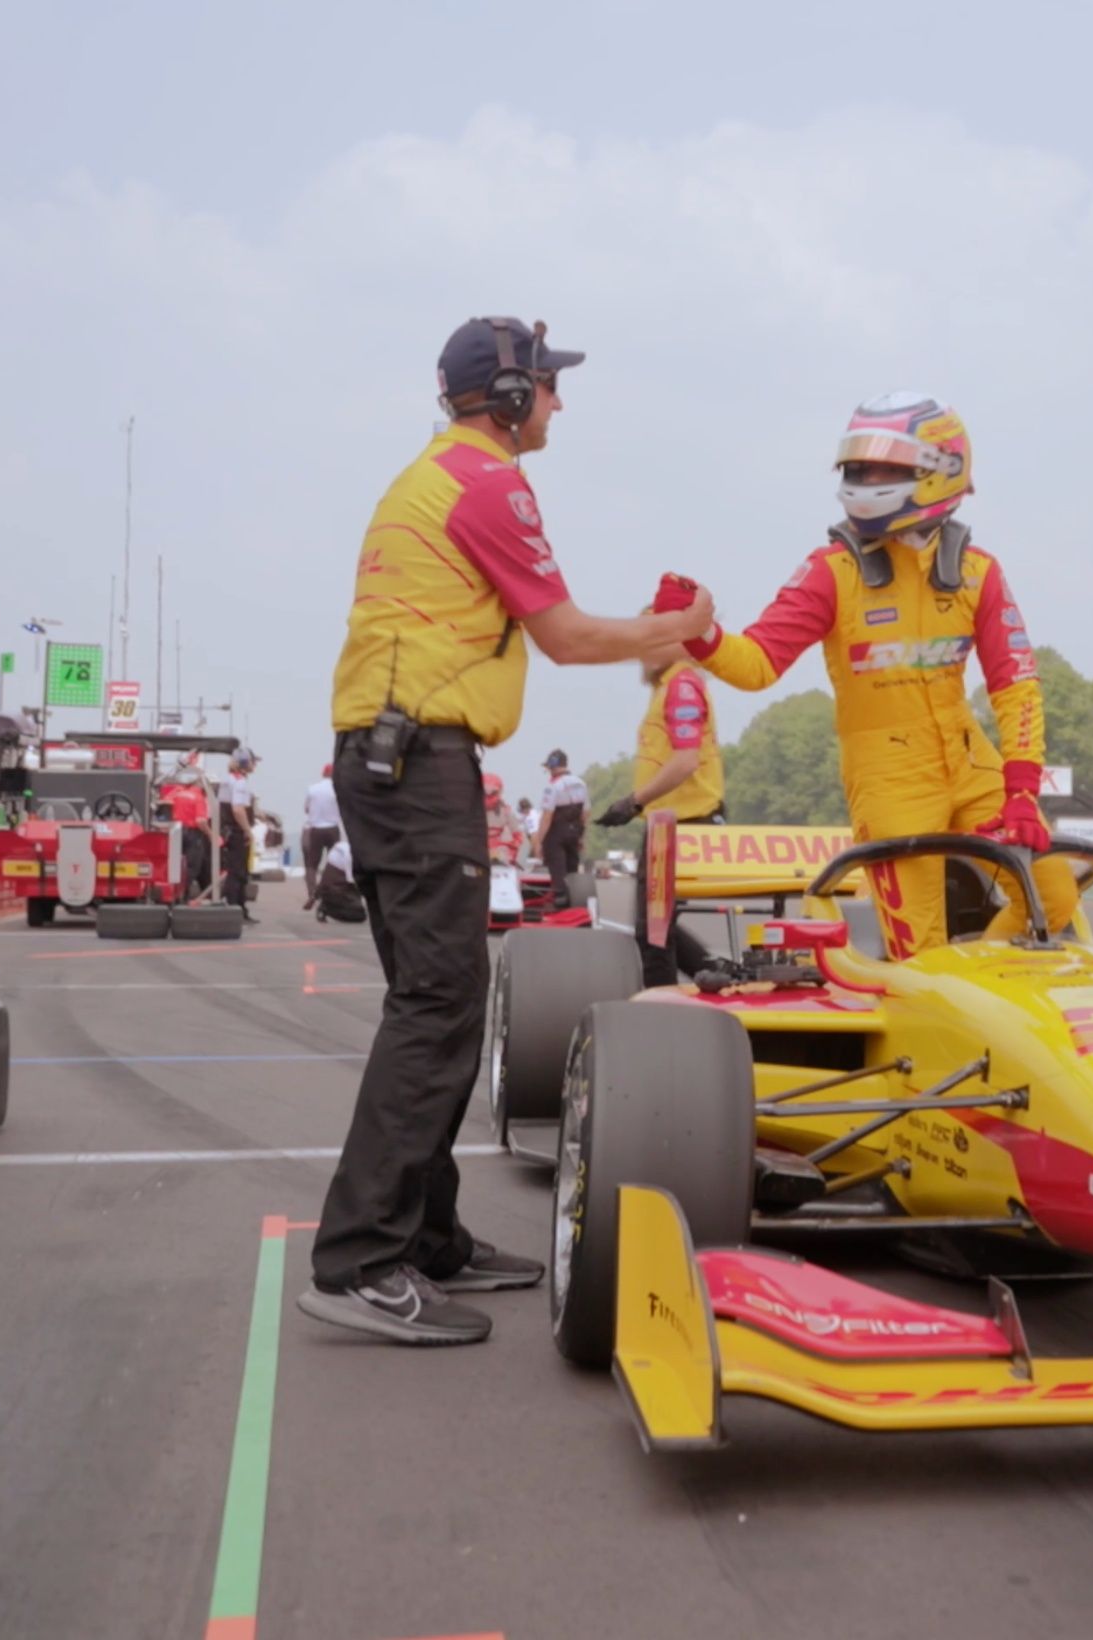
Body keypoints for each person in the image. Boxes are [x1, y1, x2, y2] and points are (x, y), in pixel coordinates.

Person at [305, 313, 712, 1348]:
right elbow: (567, 635)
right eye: (549, 385)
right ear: (511, 397)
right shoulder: (489, 481)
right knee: (443, 1001)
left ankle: (429, 1234)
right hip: (416, 759)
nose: (561, 402)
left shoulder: (435, 474)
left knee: (436, 997)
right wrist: (679, 630)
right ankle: (360, 1258)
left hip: (394, 756)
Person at [661, 392, 1073, 957]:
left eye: (885, 465)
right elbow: (757, 664)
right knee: (921, 957)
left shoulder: (980, 572)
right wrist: (699, 633)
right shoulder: (831, 572)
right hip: (889, 783)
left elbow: (1016, 684)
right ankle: (944, 1002)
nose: (866, 477)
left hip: (976, 768)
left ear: (941, 469)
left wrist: (1022, 789)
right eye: (859, 464)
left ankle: (982, 988)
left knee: (1053, 898)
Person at [599, 633, 727, 980]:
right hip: (670, 821)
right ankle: (718, 975)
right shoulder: (671, 685)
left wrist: (633, 801)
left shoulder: (681, 685)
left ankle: (664, 1009)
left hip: (682, 823)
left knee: (653, 934)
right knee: (658, 928)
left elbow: (686, 760)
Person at [531, 749, 588, 885]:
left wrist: (539, 842)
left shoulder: (553, 787)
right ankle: (574, 900)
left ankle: (560, 898)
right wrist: (580, 836)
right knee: (572, 872)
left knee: (558, 872)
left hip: (556, 835)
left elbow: (547, 817)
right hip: (574, 831)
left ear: (552, 765)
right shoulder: (581, 783)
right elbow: (585, 814)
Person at [218, 748, 261, 919]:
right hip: (237, 833)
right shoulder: (239, 782)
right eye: (252, 761)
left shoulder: (228, 780)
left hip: (228, 831)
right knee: (238, 872)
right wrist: (248, 831)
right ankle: (236, 909)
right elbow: (238, 809)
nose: (255, 765)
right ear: (244, 763)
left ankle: (238, 908)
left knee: (236, 871)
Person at [165, 757, 214, 902]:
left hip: (174, 832)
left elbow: (163, 805)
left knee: (173, 864)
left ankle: (171, 894)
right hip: (193, 834)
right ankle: (183, 896)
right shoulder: (198, 797)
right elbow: (201, 821)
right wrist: (211, 835)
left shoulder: (175, 793)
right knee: (191, 867)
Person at [300, 761, 342, 909]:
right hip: (333, 829)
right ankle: (331, 894)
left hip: (316, 829)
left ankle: (312, 893)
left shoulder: (312, 789)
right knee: (336, 864)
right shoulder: (338, 788)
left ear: (323, 773)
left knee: (312, 864)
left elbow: (306, 809)